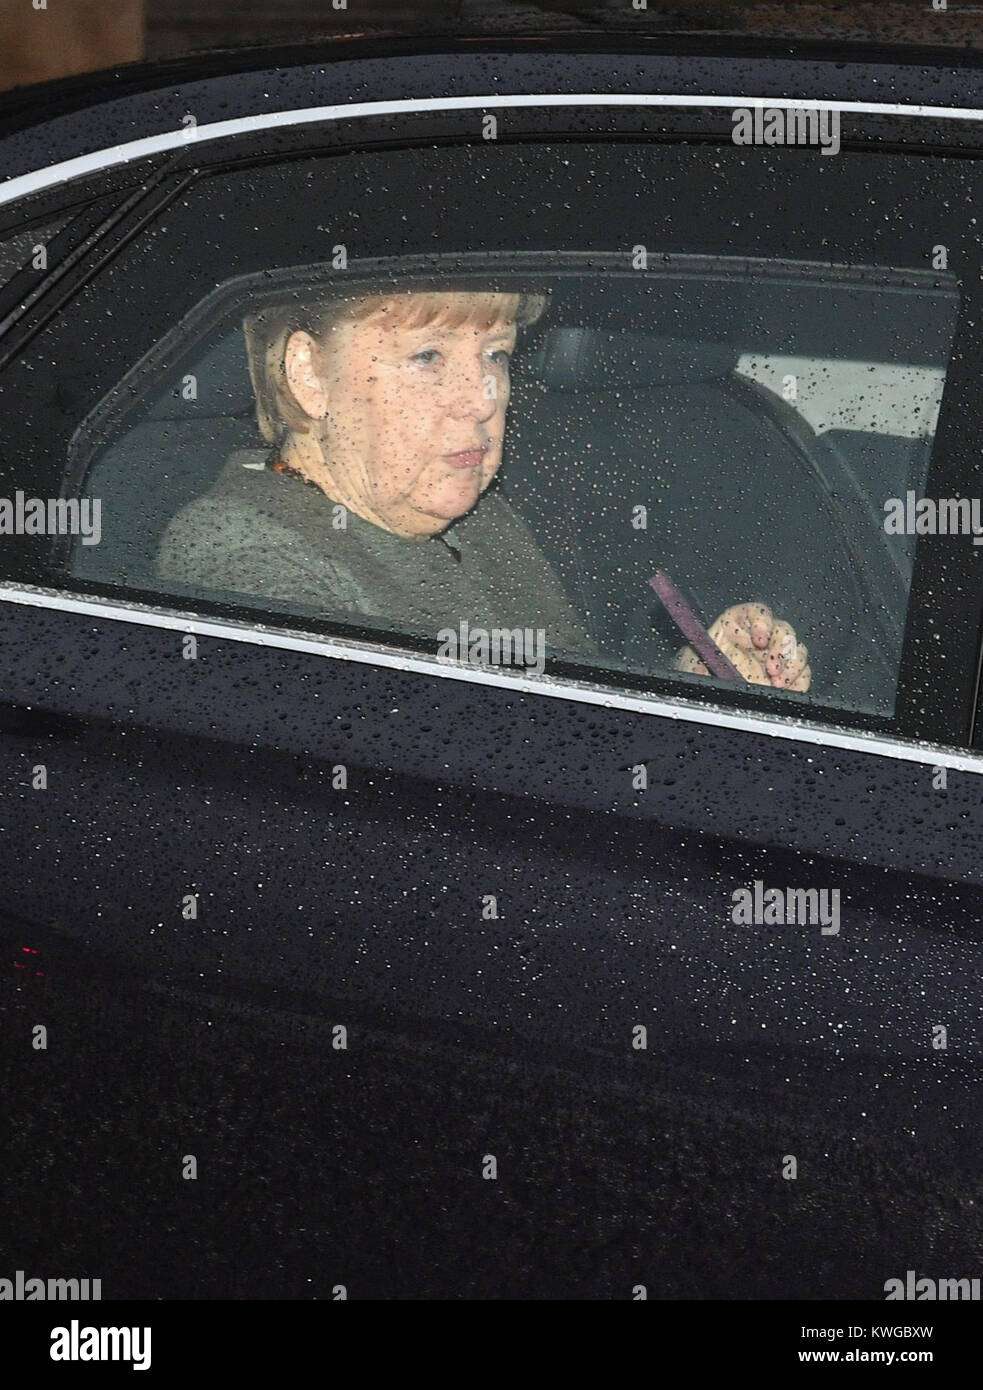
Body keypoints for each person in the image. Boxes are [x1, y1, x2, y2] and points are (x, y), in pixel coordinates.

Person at [156, 287, 810, 690]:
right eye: (427, 356)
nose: (482, 398)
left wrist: (694, 691)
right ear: (310, 375)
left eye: (495, 354)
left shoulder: (478, 521)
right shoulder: (241, 559)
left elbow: (559, 731)